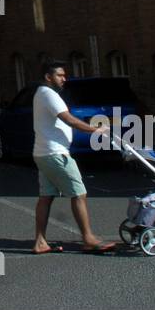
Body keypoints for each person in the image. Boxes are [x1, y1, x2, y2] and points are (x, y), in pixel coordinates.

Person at [32, 61, 118, 254]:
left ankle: (40, 242)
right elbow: (68, 119)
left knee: (46, 197)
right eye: (60, 75)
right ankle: (88, 238)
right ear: (48, 77)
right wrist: (95, 130)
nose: (64, 79)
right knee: (79, 193)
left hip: (44, 153)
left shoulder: (41, 94)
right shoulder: (48, 94)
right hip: (55, 154)